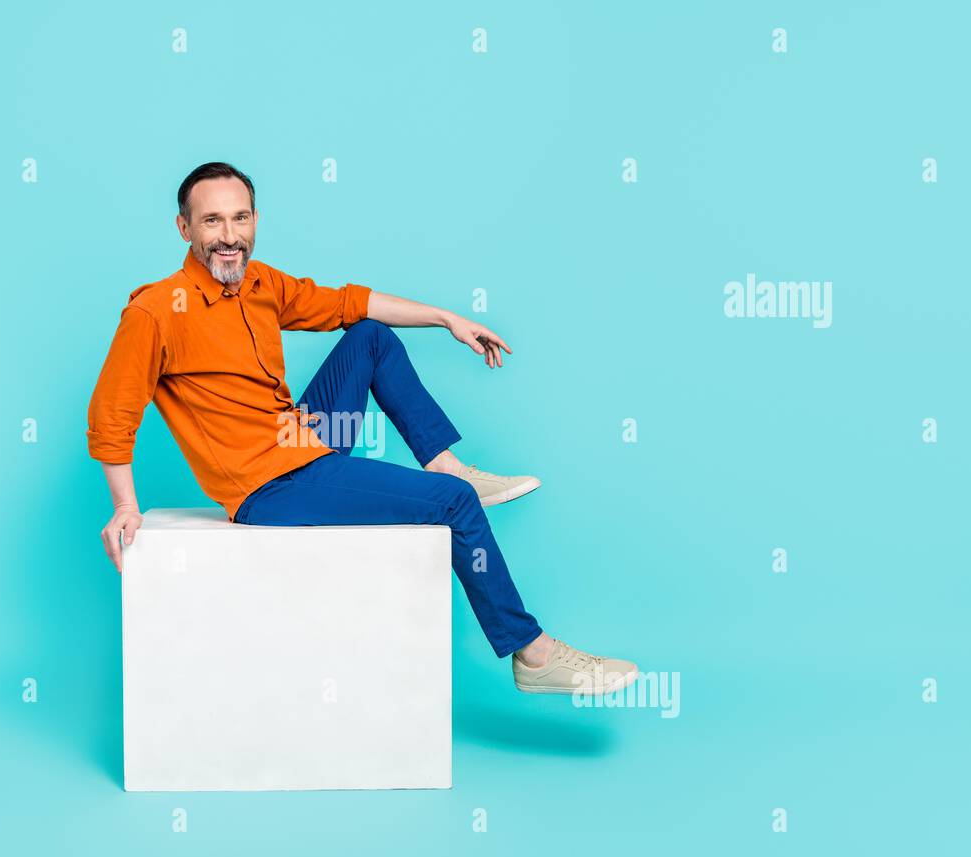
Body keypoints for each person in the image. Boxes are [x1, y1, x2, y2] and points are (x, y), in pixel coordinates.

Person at [87, 161, 638, 696]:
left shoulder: (260, 284)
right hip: (267, 486)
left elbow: (351, 303)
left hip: (302, 442)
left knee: (368, 336)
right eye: (212, 221)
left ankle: (448, 464)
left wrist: (448, 318)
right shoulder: (156, 311)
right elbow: (113, 411)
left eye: (241, 218)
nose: (229, 235)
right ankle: (532, 654)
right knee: (452, 504)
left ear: (255, 220)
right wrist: (125, 507)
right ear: (184, 227)